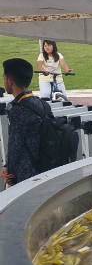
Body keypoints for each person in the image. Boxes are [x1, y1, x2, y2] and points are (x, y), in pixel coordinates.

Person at [2, 58, 43, 186]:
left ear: (10, 81)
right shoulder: (39, 103)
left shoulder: (18, 109)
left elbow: (15, 145)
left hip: (26, 174)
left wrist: (8, 171)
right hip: (43, 167)